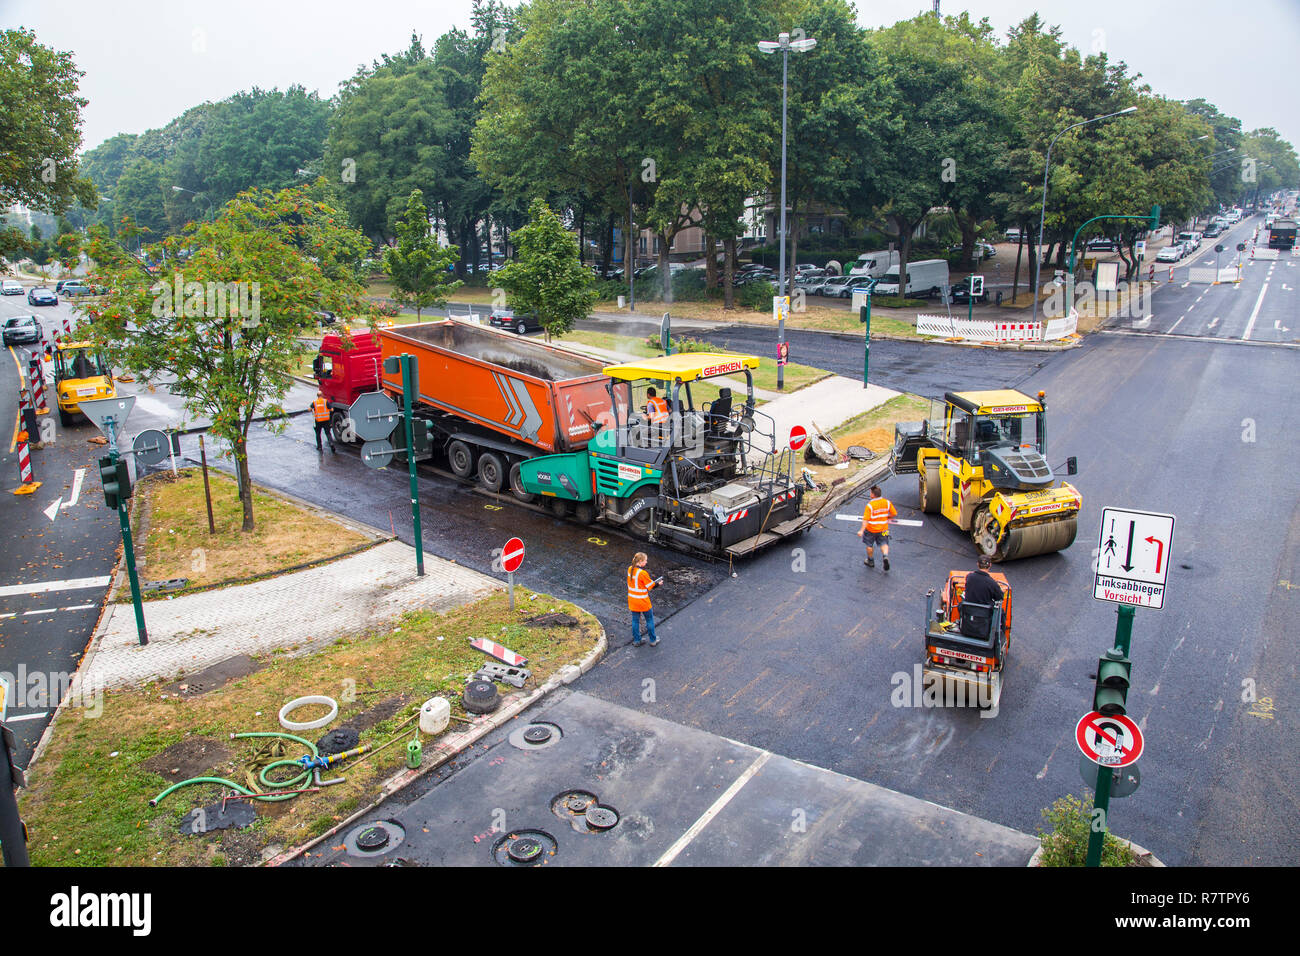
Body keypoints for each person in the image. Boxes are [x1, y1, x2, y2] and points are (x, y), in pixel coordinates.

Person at [627, 551, 663, 646]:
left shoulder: (630, 569)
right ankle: (653, 640)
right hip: (643, 601)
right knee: (649, 620)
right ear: (641, 561)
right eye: (645, 560)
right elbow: (650, 586)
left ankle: (637, 640)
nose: (646, 562)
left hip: (632, 600)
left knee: (635, 620)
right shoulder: (643, 573)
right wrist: (658, 584)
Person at [857, 484, 896, 571]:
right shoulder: (887, 502)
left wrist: (861, 530)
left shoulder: (870, 506)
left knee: (869, 545)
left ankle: (870, 561)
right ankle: (885, 556)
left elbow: (866, 520)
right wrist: (888, 517)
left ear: (872, 495)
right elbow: (894, 513)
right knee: (884, 543)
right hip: (884, 529)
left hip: (871, 530)